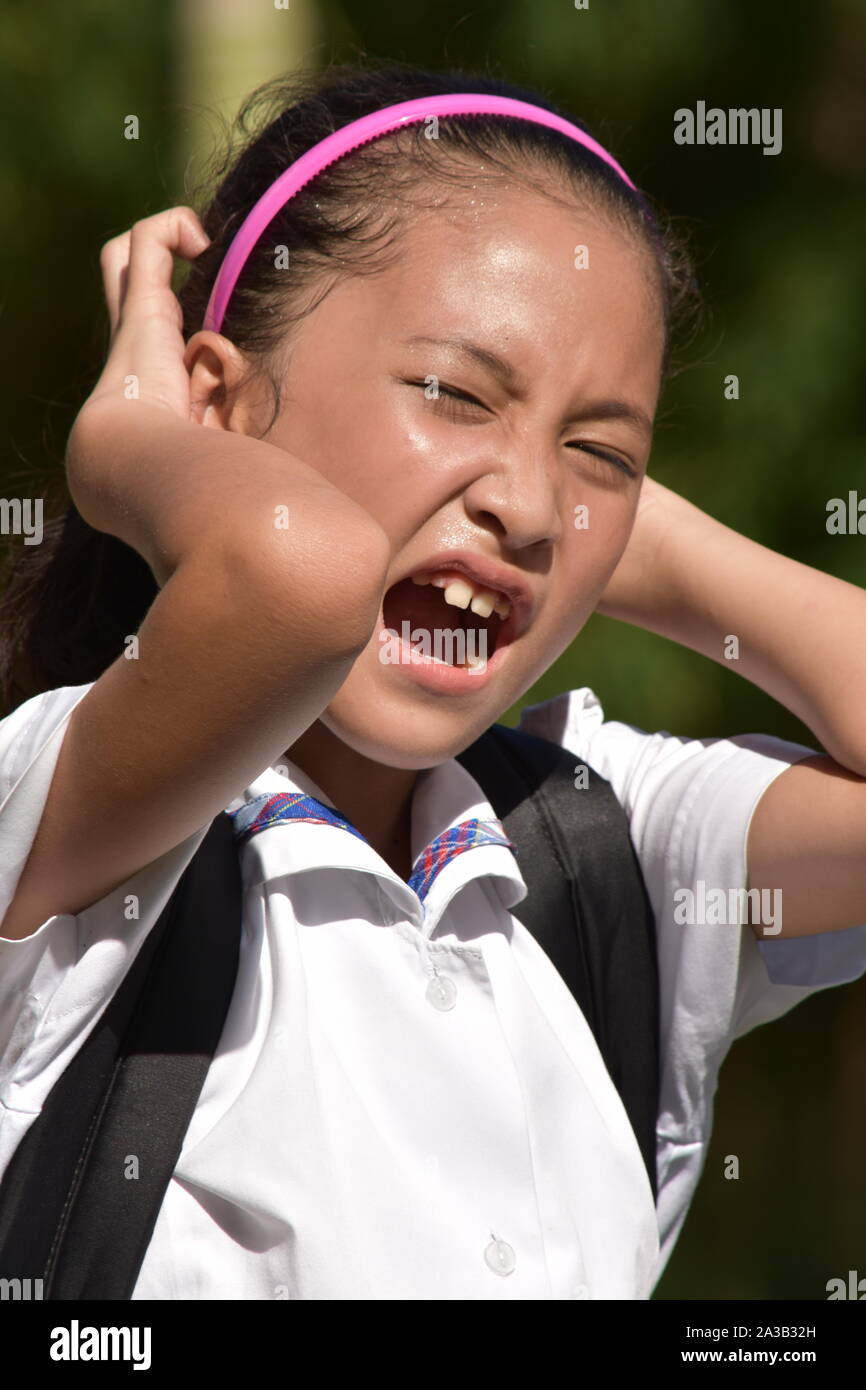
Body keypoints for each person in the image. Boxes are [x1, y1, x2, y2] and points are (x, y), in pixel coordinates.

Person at [0, 60, 864, 1301]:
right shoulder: (67, 824)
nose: (521, 503)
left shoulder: (591, 845)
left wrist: (597, 516)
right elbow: (295, 581)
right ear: (217, 407)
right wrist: (133, 441)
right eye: (454, 392)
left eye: (602, 449)